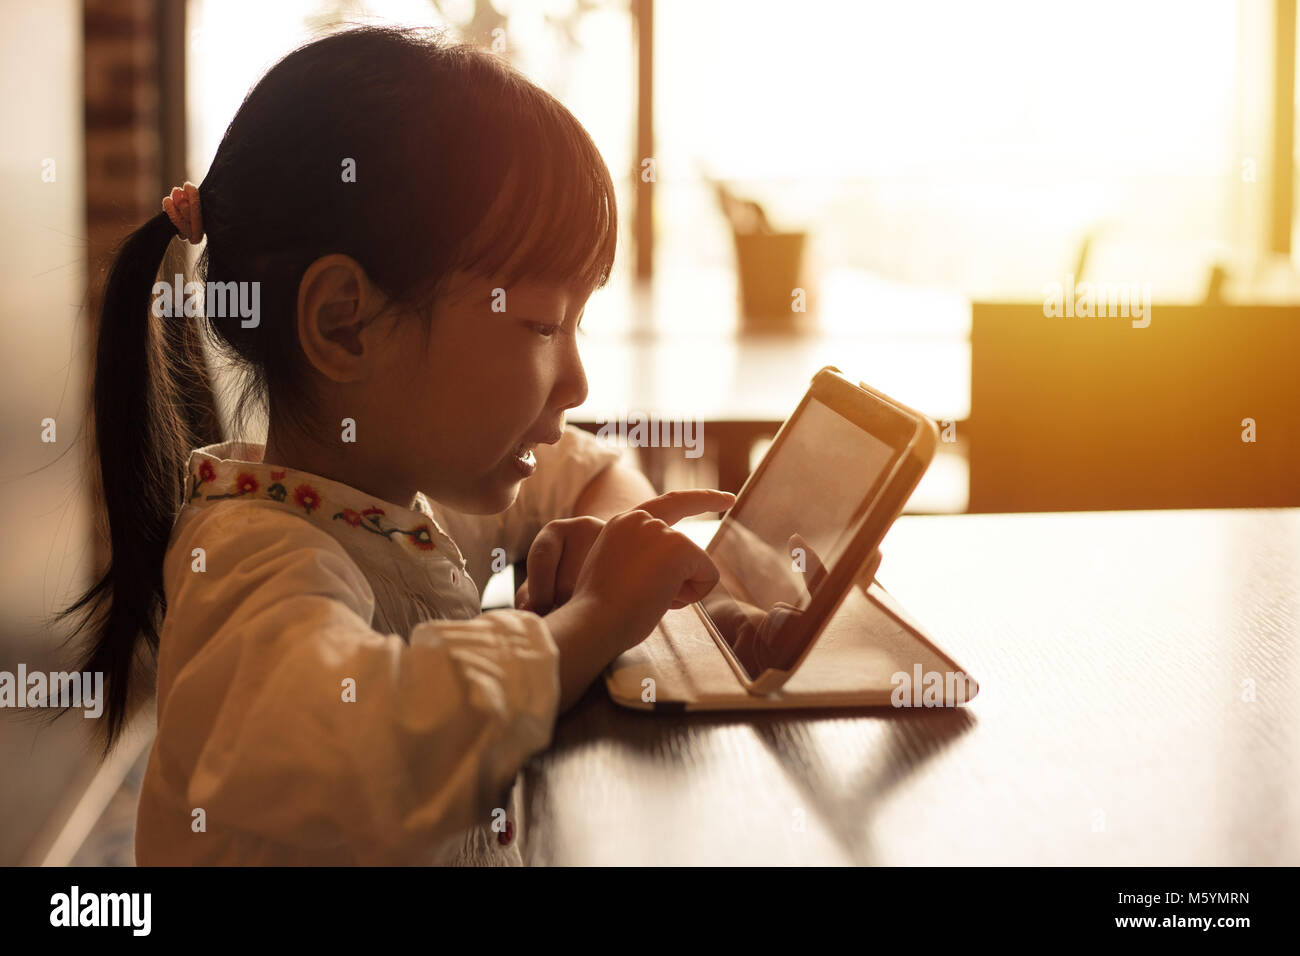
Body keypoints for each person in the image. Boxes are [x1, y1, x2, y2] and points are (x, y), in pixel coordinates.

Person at [57, 26, 732, 865]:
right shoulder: (251, 564)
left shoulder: (394, 490)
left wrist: (610, 539)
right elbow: (367, 745)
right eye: (541, 325)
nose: (577, 382)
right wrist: (592, 622)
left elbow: (586, 471)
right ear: (345, 323)